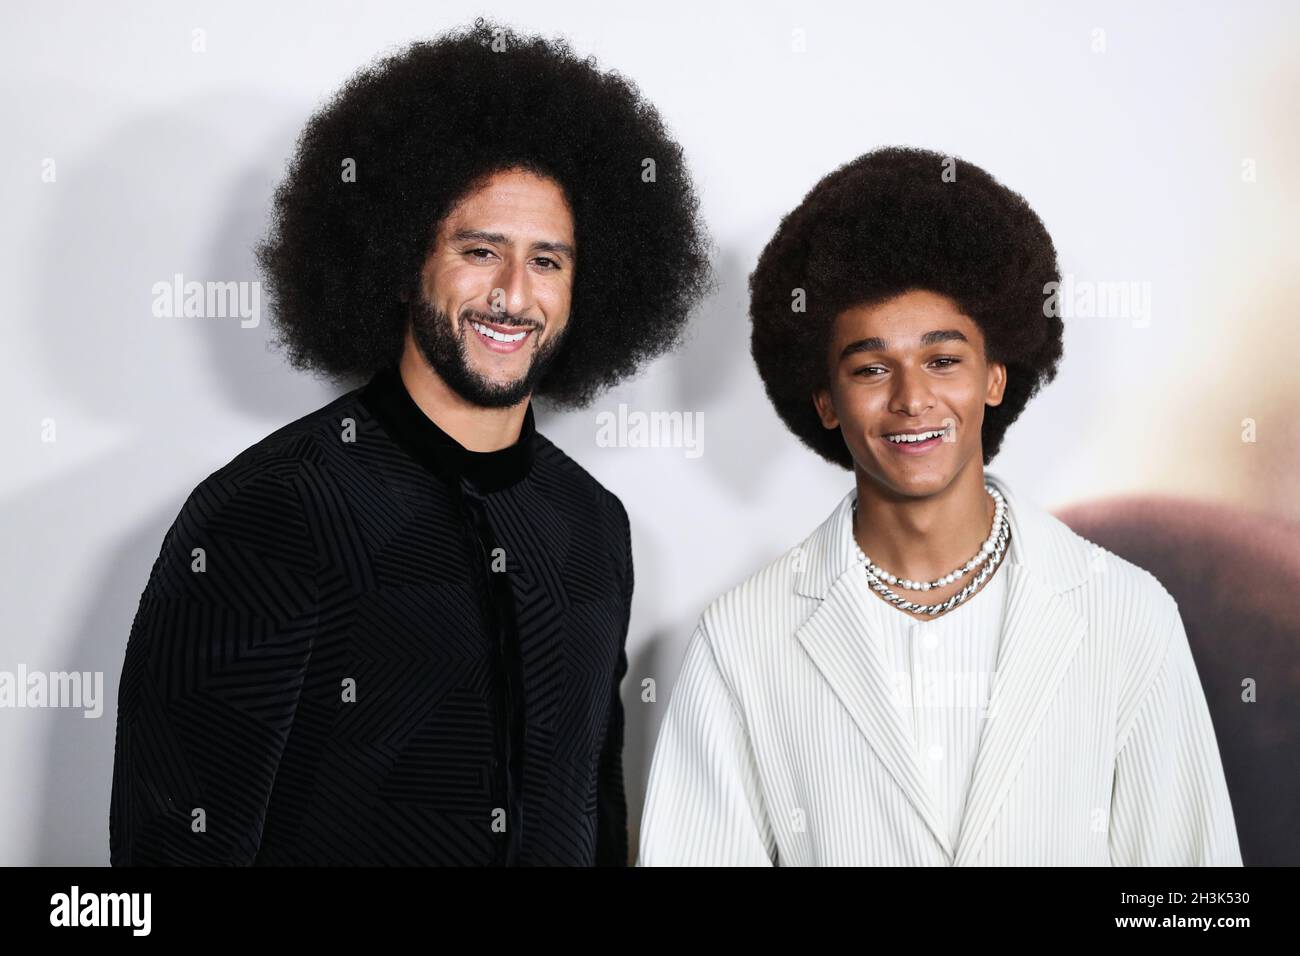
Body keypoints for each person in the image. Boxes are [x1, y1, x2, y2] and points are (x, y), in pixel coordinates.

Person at [109, 18, 712, 866]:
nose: (512, 294)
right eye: (479, 250)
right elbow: (173, 850)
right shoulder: (270, 513)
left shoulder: (593, 528)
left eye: (548, 261)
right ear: (402, 259)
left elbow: (592, 818)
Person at [637, 146, 1241, 866]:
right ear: (825, 400)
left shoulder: (1127, 615)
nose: (912, 397)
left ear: (994, 375)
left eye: (943, 359)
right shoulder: (740, 641)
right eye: (871, 368)